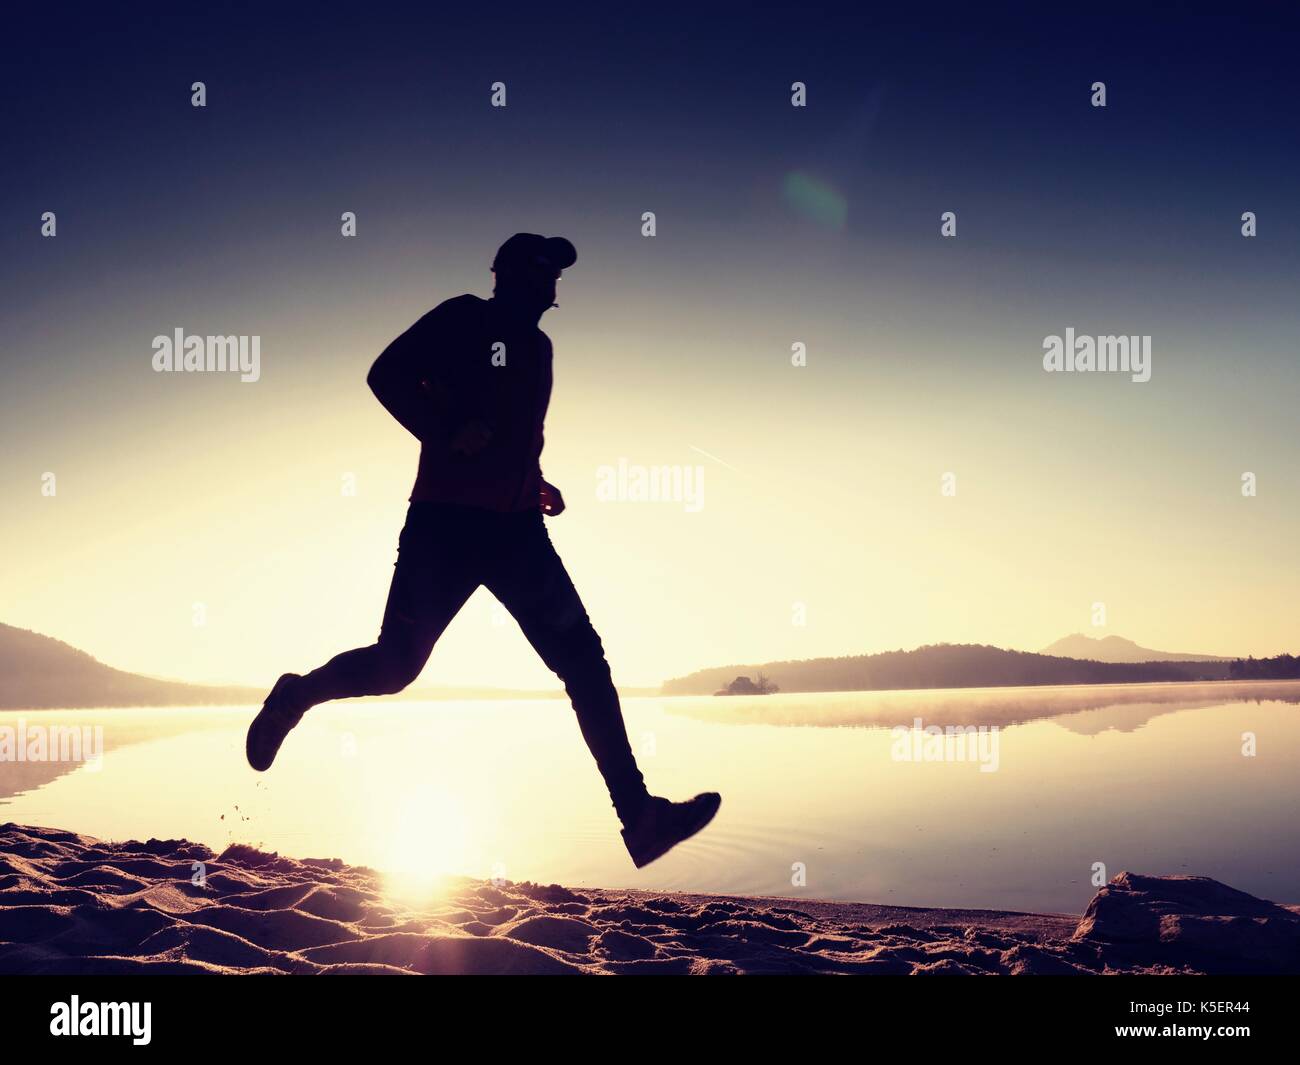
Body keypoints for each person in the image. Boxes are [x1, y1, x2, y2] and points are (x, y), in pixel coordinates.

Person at [246, 233, 720, 868]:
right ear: (507, 276)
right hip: (444, 525)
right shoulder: (462, 317)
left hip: (518, 533)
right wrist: (444, 430)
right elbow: (384, 375)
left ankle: (640, 820)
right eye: (542, 271)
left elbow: (514, 433)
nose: (553, 284)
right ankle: (296, 696)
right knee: (395, 667)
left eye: (557, 274)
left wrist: (534, 480)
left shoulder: (541, 348)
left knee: (583, 660)